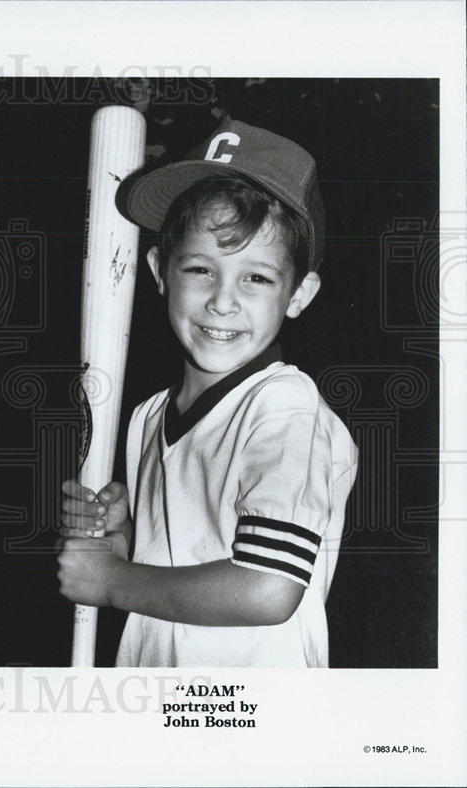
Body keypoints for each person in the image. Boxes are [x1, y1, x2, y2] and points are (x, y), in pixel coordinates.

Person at [57, 118, 358, 667]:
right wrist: (121, 539)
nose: (223, 300)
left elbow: (268, 589)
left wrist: (111, 581)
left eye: (256, 278)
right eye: (200, 268)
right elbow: (177, 563)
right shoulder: (148, 416)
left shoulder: (284, 407)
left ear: (299, 294)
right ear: (159, 271)